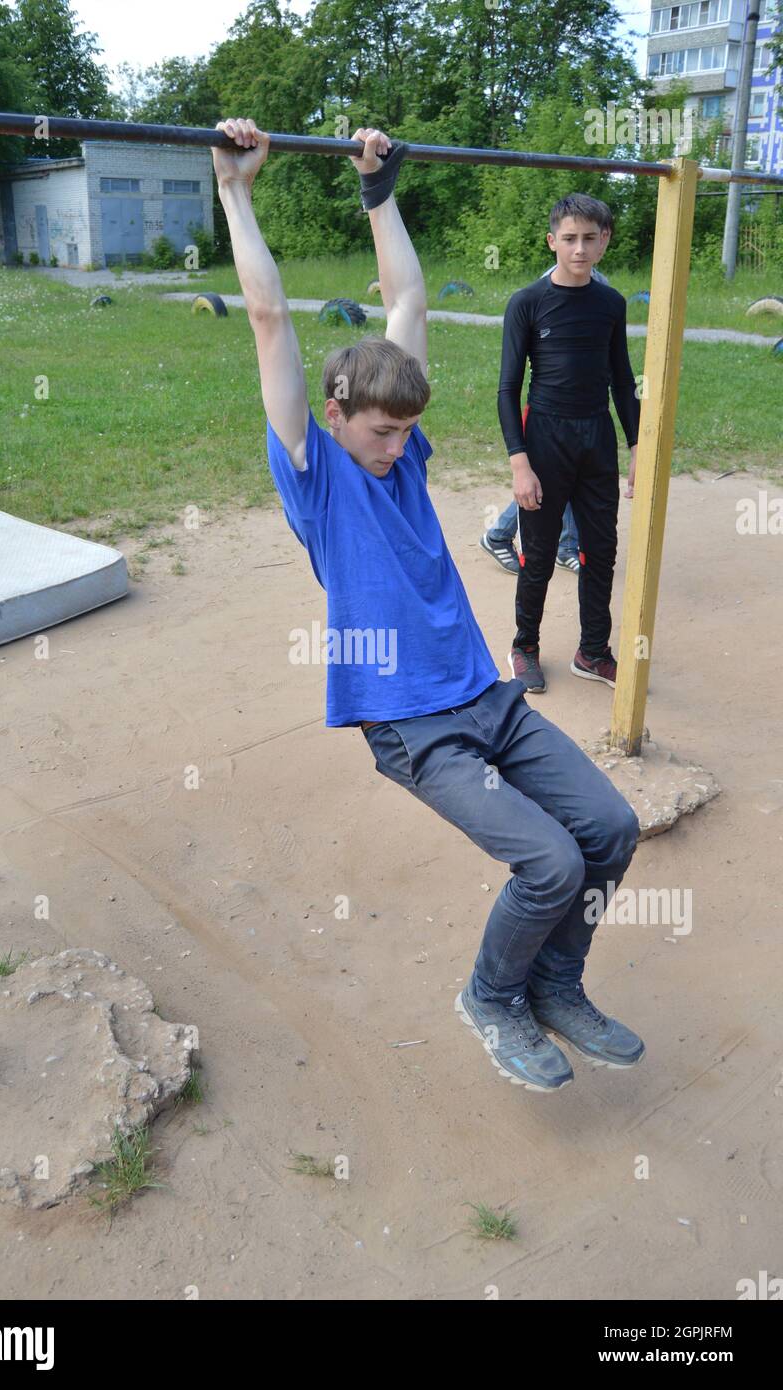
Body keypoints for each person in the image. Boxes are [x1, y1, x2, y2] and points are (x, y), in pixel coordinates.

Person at [212, 117, 644, 1094]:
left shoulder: (400, 445)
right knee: (547, 862)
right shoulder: (318, 473)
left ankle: (556, 987)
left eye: (408, 429)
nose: (398, 447)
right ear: (334, 417)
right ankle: (492, 996)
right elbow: (270, 321)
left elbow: (405, 296)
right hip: (413, 724)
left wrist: (379, 191)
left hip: (482, 694)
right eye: (379, 431)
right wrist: (235, 190)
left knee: (609, 831)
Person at [500, 194, 640, 694]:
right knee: (537, 555)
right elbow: (506, 388)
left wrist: (636, 447)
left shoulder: (611, 304)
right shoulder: (527, 303)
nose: (579, 249)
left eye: (589, 238)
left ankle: (593, 651)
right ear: (552, 241)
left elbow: (623, 381)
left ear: (604, 242)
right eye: (569, 238)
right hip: (545, 438)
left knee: (600, 550)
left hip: (595, 436)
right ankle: (525, 647)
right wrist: (521, 465)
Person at [480, 262, 612, 577]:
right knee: (546, 482)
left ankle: (566, 546)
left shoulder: (600, 284)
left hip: (582, 409)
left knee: (566, 477)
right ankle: (499, 535)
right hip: (547, 409)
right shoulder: (547, 286)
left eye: (600, 236)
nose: (591, 244)